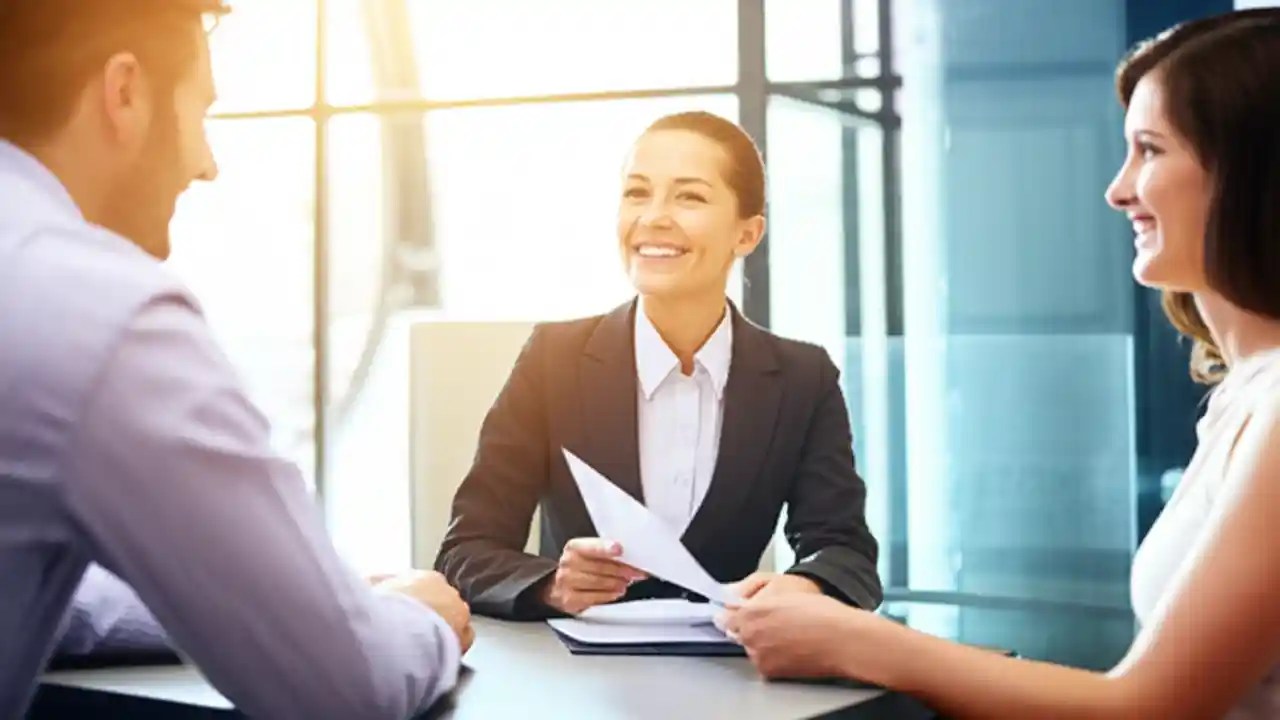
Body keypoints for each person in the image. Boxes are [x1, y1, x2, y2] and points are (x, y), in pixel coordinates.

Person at [720, 8, 1280, 719]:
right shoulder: (1244, 396)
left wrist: (850, 640)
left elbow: (1149, 707)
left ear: (1249, 173)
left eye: (1150, 150)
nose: (1118, 189)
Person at [0, 2, 473, 718]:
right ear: (124, 92)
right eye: (199, 113)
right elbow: (344, 685)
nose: (206, 162)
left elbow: (58, 598)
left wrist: (274, 597)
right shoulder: (97, 312)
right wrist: (414, 621)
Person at [435, 110, 882, 619]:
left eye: (689, 197)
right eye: (637, 193)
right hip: (575, 661)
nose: (653, 217)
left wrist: (806, 588)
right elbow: (465, 551)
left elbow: (845, 551)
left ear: (747, 234)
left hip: (734, 660)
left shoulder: (803, 379)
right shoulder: (553, 359)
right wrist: (551, 585)